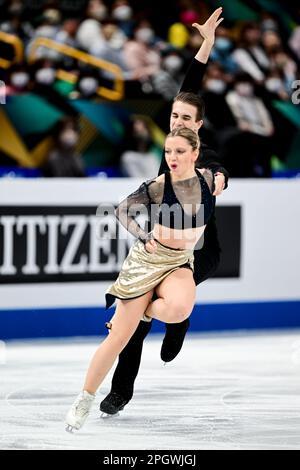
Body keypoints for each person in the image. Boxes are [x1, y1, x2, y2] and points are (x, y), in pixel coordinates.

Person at [99, 7, 228, 416]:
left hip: (200, 253)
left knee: (162, 304)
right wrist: (204, 47)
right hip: (158, 250)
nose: (177, 122)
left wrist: (217, 179)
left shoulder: (202, 157)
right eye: (174, 116)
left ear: (199, 126)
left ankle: (180, 316)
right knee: (135, 323)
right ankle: (121, 391)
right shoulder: (170, 150)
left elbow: (218, 172)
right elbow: (188, 91)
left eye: (186, 119)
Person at [65, 127, 216, 431]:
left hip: (178, 262)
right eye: (168, 152)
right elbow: (122, 210)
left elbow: (222, 172)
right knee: (118, 338)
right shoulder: (160, 185)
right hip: (146, 261)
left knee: (178, 311)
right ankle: (84, 398)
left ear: (195, 154)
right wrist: (142, 234)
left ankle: (145, 312)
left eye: (179, 152)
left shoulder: (210, 180)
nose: (172, 158)